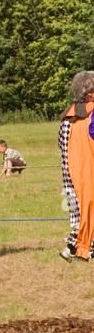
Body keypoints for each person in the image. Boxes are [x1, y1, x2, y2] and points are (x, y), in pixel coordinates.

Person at [59, 71, 94, 262]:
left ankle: (76, 246)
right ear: (89, 93)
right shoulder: (91, 113)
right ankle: (78, 246)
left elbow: (61, 145)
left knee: (80, 209)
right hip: (87, 168)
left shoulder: (68, 115)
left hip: (71, 170)